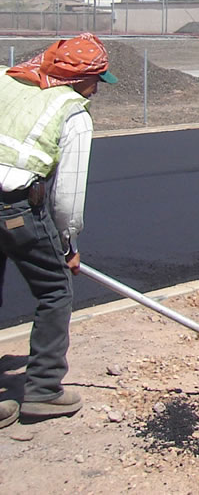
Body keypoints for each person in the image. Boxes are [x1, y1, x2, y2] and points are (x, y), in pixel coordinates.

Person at [0, 33, 117, 427]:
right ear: (81, 79)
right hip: (13, 209)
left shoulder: (6, 79)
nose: (97, 89)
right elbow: (66, 196)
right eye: (96, 80)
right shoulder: (73, 113)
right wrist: (68, 244)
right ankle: (43, 391)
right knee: (54, 290)